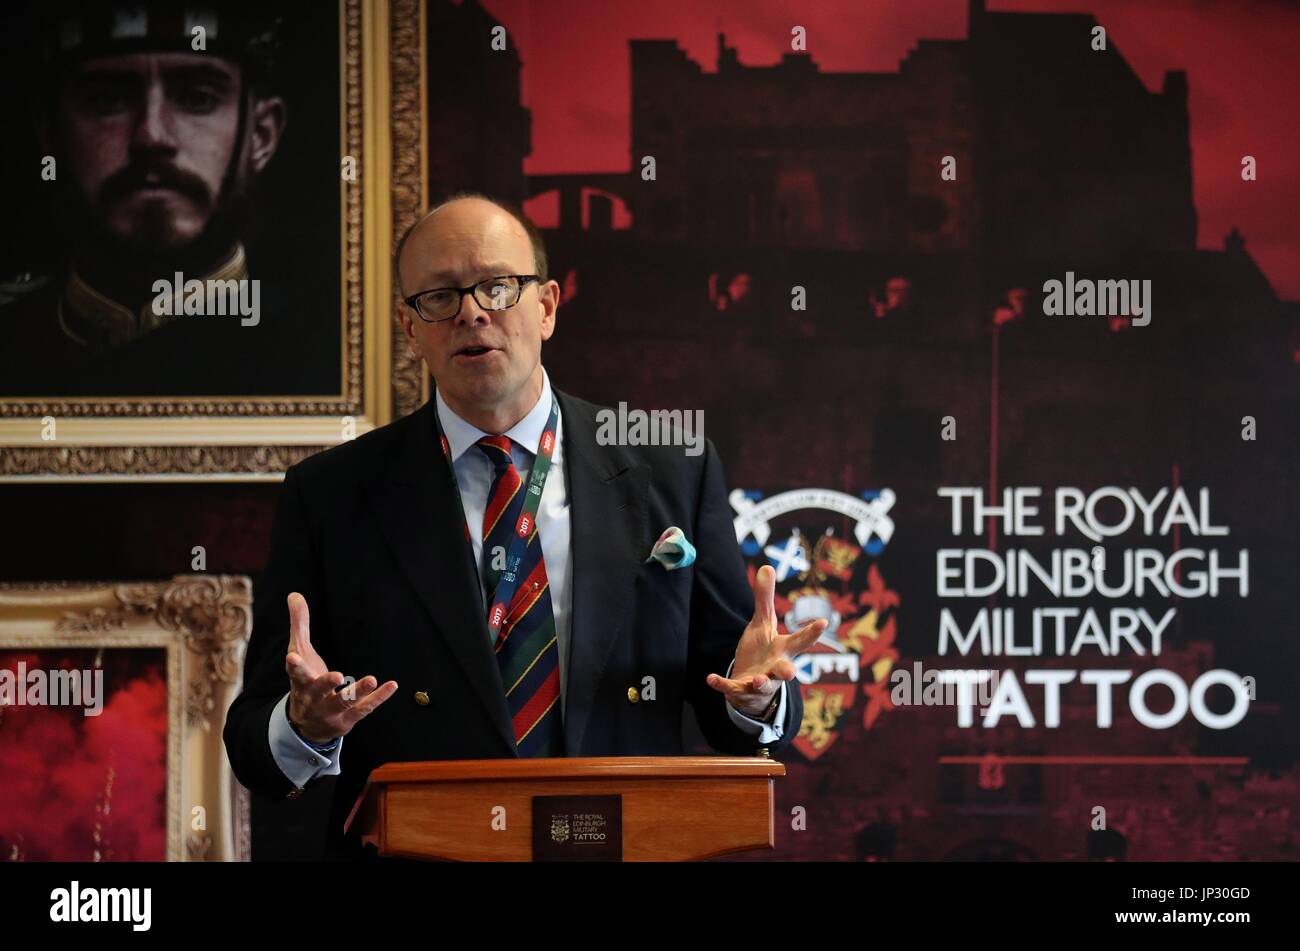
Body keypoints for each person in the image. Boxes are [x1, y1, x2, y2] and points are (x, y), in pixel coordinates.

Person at [223, 193, 824, 858]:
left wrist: (760, 698)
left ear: (546, 307)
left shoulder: (670, 469)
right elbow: (256, 750)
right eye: (440, 296)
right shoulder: (332, 494)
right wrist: (304, 726)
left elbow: (733, 698)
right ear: (409, 326)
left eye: (498, 286)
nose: (472, 312)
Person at [0, 1, 331, 397]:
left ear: (261, 136)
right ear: (50, 134)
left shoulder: (332, 355)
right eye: (107, 99)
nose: (152, 136)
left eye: (198, 97)